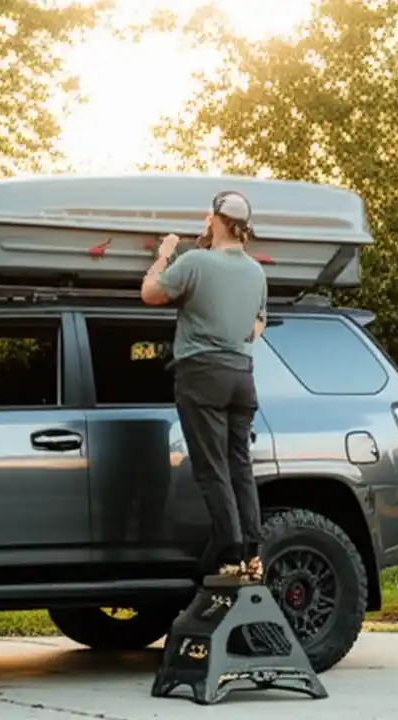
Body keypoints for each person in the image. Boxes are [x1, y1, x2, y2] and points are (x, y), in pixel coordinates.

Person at [140, 190, 268, 583]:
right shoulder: (256, 272)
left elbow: (151, 293)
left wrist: (165, 253)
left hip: (202, 377)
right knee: (239, 467)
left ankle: (228, 556)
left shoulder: (195, 262)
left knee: (213, 470)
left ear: (214, 220)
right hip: (242, 377)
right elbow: (256, 326)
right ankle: (252, 554)